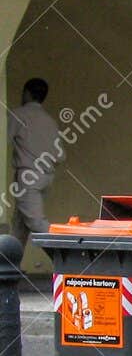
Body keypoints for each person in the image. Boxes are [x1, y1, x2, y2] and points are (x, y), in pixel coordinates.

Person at [8, 78, 57, 245]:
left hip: (28, 176)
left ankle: (68, 256)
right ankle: (11, 266)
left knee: (37, 223)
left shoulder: (18, 115)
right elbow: (60, 155)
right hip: (46, 176)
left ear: (27, 93)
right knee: (20, 226)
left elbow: (3, 139)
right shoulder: (49, 121)